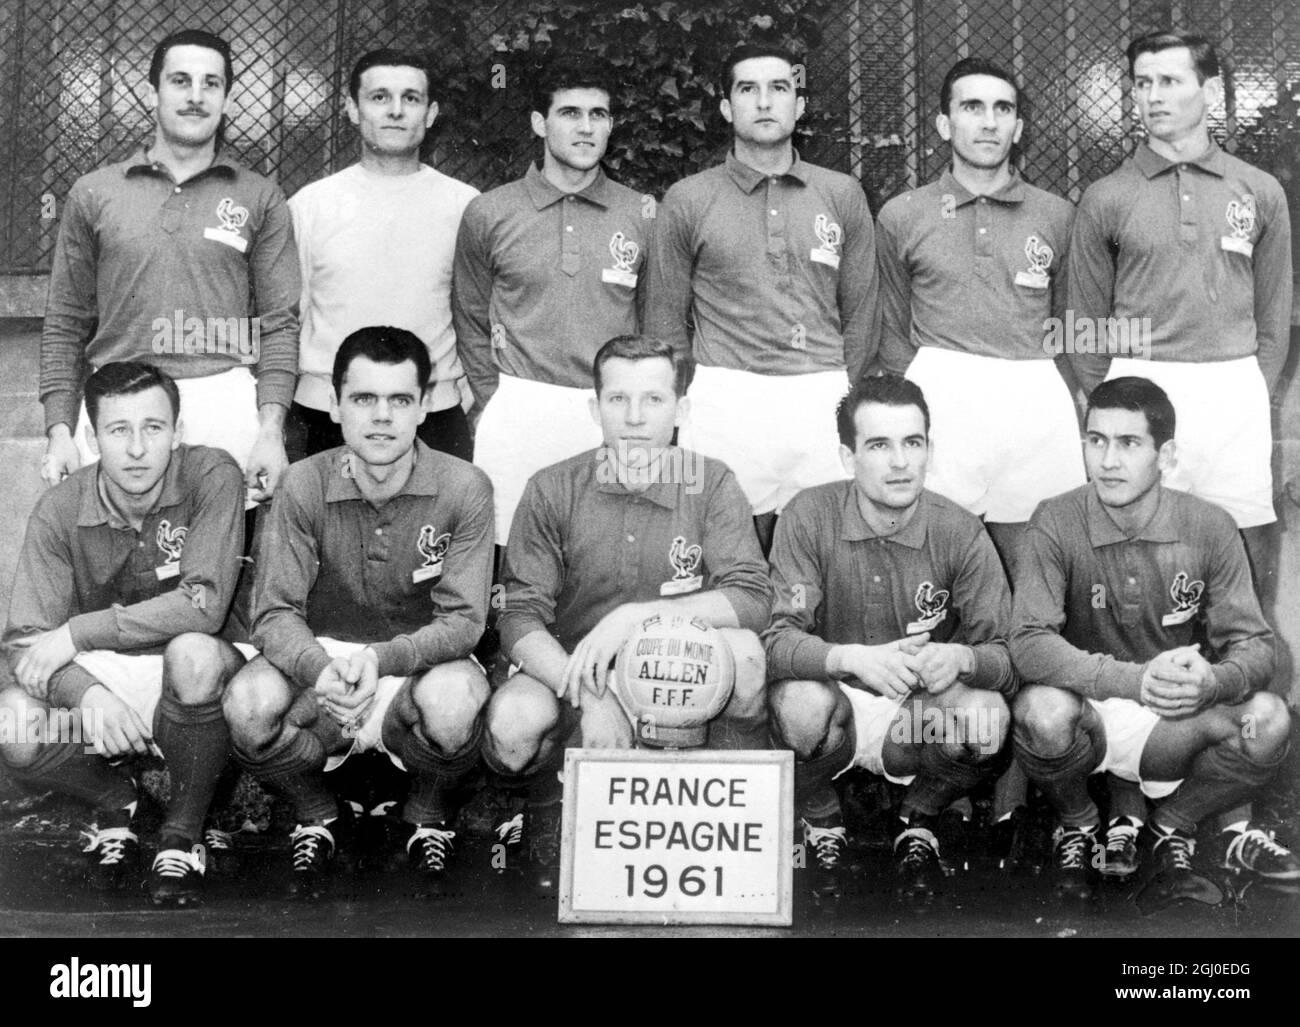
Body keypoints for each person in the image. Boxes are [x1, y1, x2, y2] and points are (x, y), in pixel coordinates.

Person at [485, 334, 771, 893]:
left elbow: (753, 598)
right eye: (618, 400)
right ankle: (547, 802)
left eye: (654, 400)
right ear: (595, 408)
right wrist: (589, 693)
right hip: (572, 665)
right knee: (513, 724)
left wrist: (636, 618)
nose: (635, 418)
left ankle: (721, 811)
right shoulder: (550, 488)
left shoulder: (711, 482)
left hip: (677, 665)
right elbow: (518, 617)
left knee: (747, 655)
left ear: (680, 410)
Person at [222, 327, 494, 899]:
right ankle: (318, 811)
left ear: (425, 406)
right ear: (333, 404)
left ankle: (426, 811)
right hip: (324, 665)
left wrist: (383, 658)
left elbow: (466, 622)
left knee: (454, 705)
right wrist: (320, 668)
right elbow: (273, 613)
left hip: (416, 662)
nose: (382, 417)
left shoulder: (465, 485)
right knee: (247, 705)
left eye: (400, 400)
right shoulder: (302, 483)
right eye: (364, 398)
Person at [1010, 377, 1297, 907]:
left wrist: (1214, 682)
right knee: (1040, 711)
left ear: (1165, 454)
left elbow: (1256, 645)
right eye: (1096, 440)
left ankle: (1171, 824)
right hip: (1086, 710)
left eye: (1129, 443)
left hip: (1170, 719)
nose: (1108, 461)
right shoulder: (1056, 518)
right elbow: (1027, 641)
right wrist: (1132, 679)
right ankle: (1078, 821)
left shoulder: (1208, 524)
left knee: (1269, 718)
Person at [0, 362, 248, 906]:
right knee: (12, 724)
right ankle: (118, 800)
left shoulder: (213, 475)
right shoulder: (58, 509)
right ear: (92, 437)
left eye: (153, 428)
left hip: (205, 669)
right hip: (109, 670)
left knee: (192, 654)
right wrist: (87, 694)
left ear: (177, 431)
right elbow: (24, 640)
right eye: (118, 430)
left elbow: (202, 607)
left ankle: (183, 832)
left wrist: (79, 631)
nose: (137, 448)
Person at [763, 374, 1015, 909]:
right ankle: (820, 815)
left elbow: (1010, 656)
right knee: (796, 701)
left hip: (914, 713)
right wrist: (849, 658)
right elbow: (775, 641)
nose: (900, 461)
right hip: (837, 704)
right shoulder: (808, 515)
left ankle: (918, 818)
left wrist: (963, 657)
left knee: (987, 718)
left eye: (913, 443)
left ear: (929, 449)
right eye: (879, 445)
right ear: (848, 456)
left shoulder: (961, 529)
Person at [39, 29, 299, 503]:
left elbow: (279, 325)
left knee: (224, 566)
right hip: (118, 397)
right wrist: (59, 430)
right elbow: (64, 324)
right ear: (151, 93)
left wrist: (270, 428)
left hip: (220, 396)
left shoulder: (260, 196)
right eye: (181, 80)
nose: (196, 96)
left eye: (211, 84)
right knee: (110, 565)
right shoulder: (95, 192)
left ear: (227, 99)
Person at [1067, 31, 1291, 566]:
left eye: (1170, 81)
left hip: (1231, 384)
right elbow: (1084, 319)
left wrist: (1247, 387)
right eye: (1143, 83)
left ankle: (1238, 651)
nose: (1153, 96)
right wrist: (1114, 397)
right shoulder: (1106, 196)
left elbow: (1274, 311)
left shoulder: (1259, 190)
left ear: (1210, 93)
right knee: (1137, 547)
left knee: (1243, 541)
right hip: (1141, 382)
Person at [646, 43, 878, 552]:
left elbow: (862, 311)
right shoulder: (689, 198)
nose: (765, 101)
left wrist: (844, 389)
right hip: (727, 395)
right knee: (725, 556)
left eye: (780, 88)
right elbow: (663, 320)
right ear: (727, 108)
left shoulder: (841, 193)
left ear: (799, 105)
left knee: (826, 551)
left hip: (820, 392)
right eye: (747, 89)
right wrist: (696, 393)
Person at [876, 58, 1081, 576]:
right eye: (972, 107)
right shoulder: (904, 214)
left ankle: (1031, 656)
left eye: (1002, 109)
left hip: (1032, 391)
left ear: (1018, 127)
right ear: (945, 124)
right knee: (936, 557)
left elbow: (1071, 318)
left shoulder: (1056, 214)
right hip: (942, 390)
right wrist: (916, 398)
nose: (988, 122)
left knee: (1036, 558)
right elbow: (893, 322)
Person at [453, 56, 653, 546]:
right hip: (519, 402)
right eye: (569, 113)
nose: (586, 128)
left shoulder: (643, 212)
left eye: (598, 115)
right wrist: (490, 400)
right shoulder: (489, 212)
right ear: (540, 123)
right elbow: (470, 315)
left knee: (603, 556)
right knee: (509, 553)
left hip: (608, 410)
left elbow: (656, 322)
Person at [287, 49, 478, 464]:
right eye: (379, 97)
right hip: (326, 414)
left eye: (411, 98)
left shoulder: (466, 206)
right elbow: (288, 317)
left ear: (430, 113)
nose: (395, 111)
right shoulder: (311, 205)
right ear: (352, 109)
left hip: (433, 413)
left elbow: (479, 316)